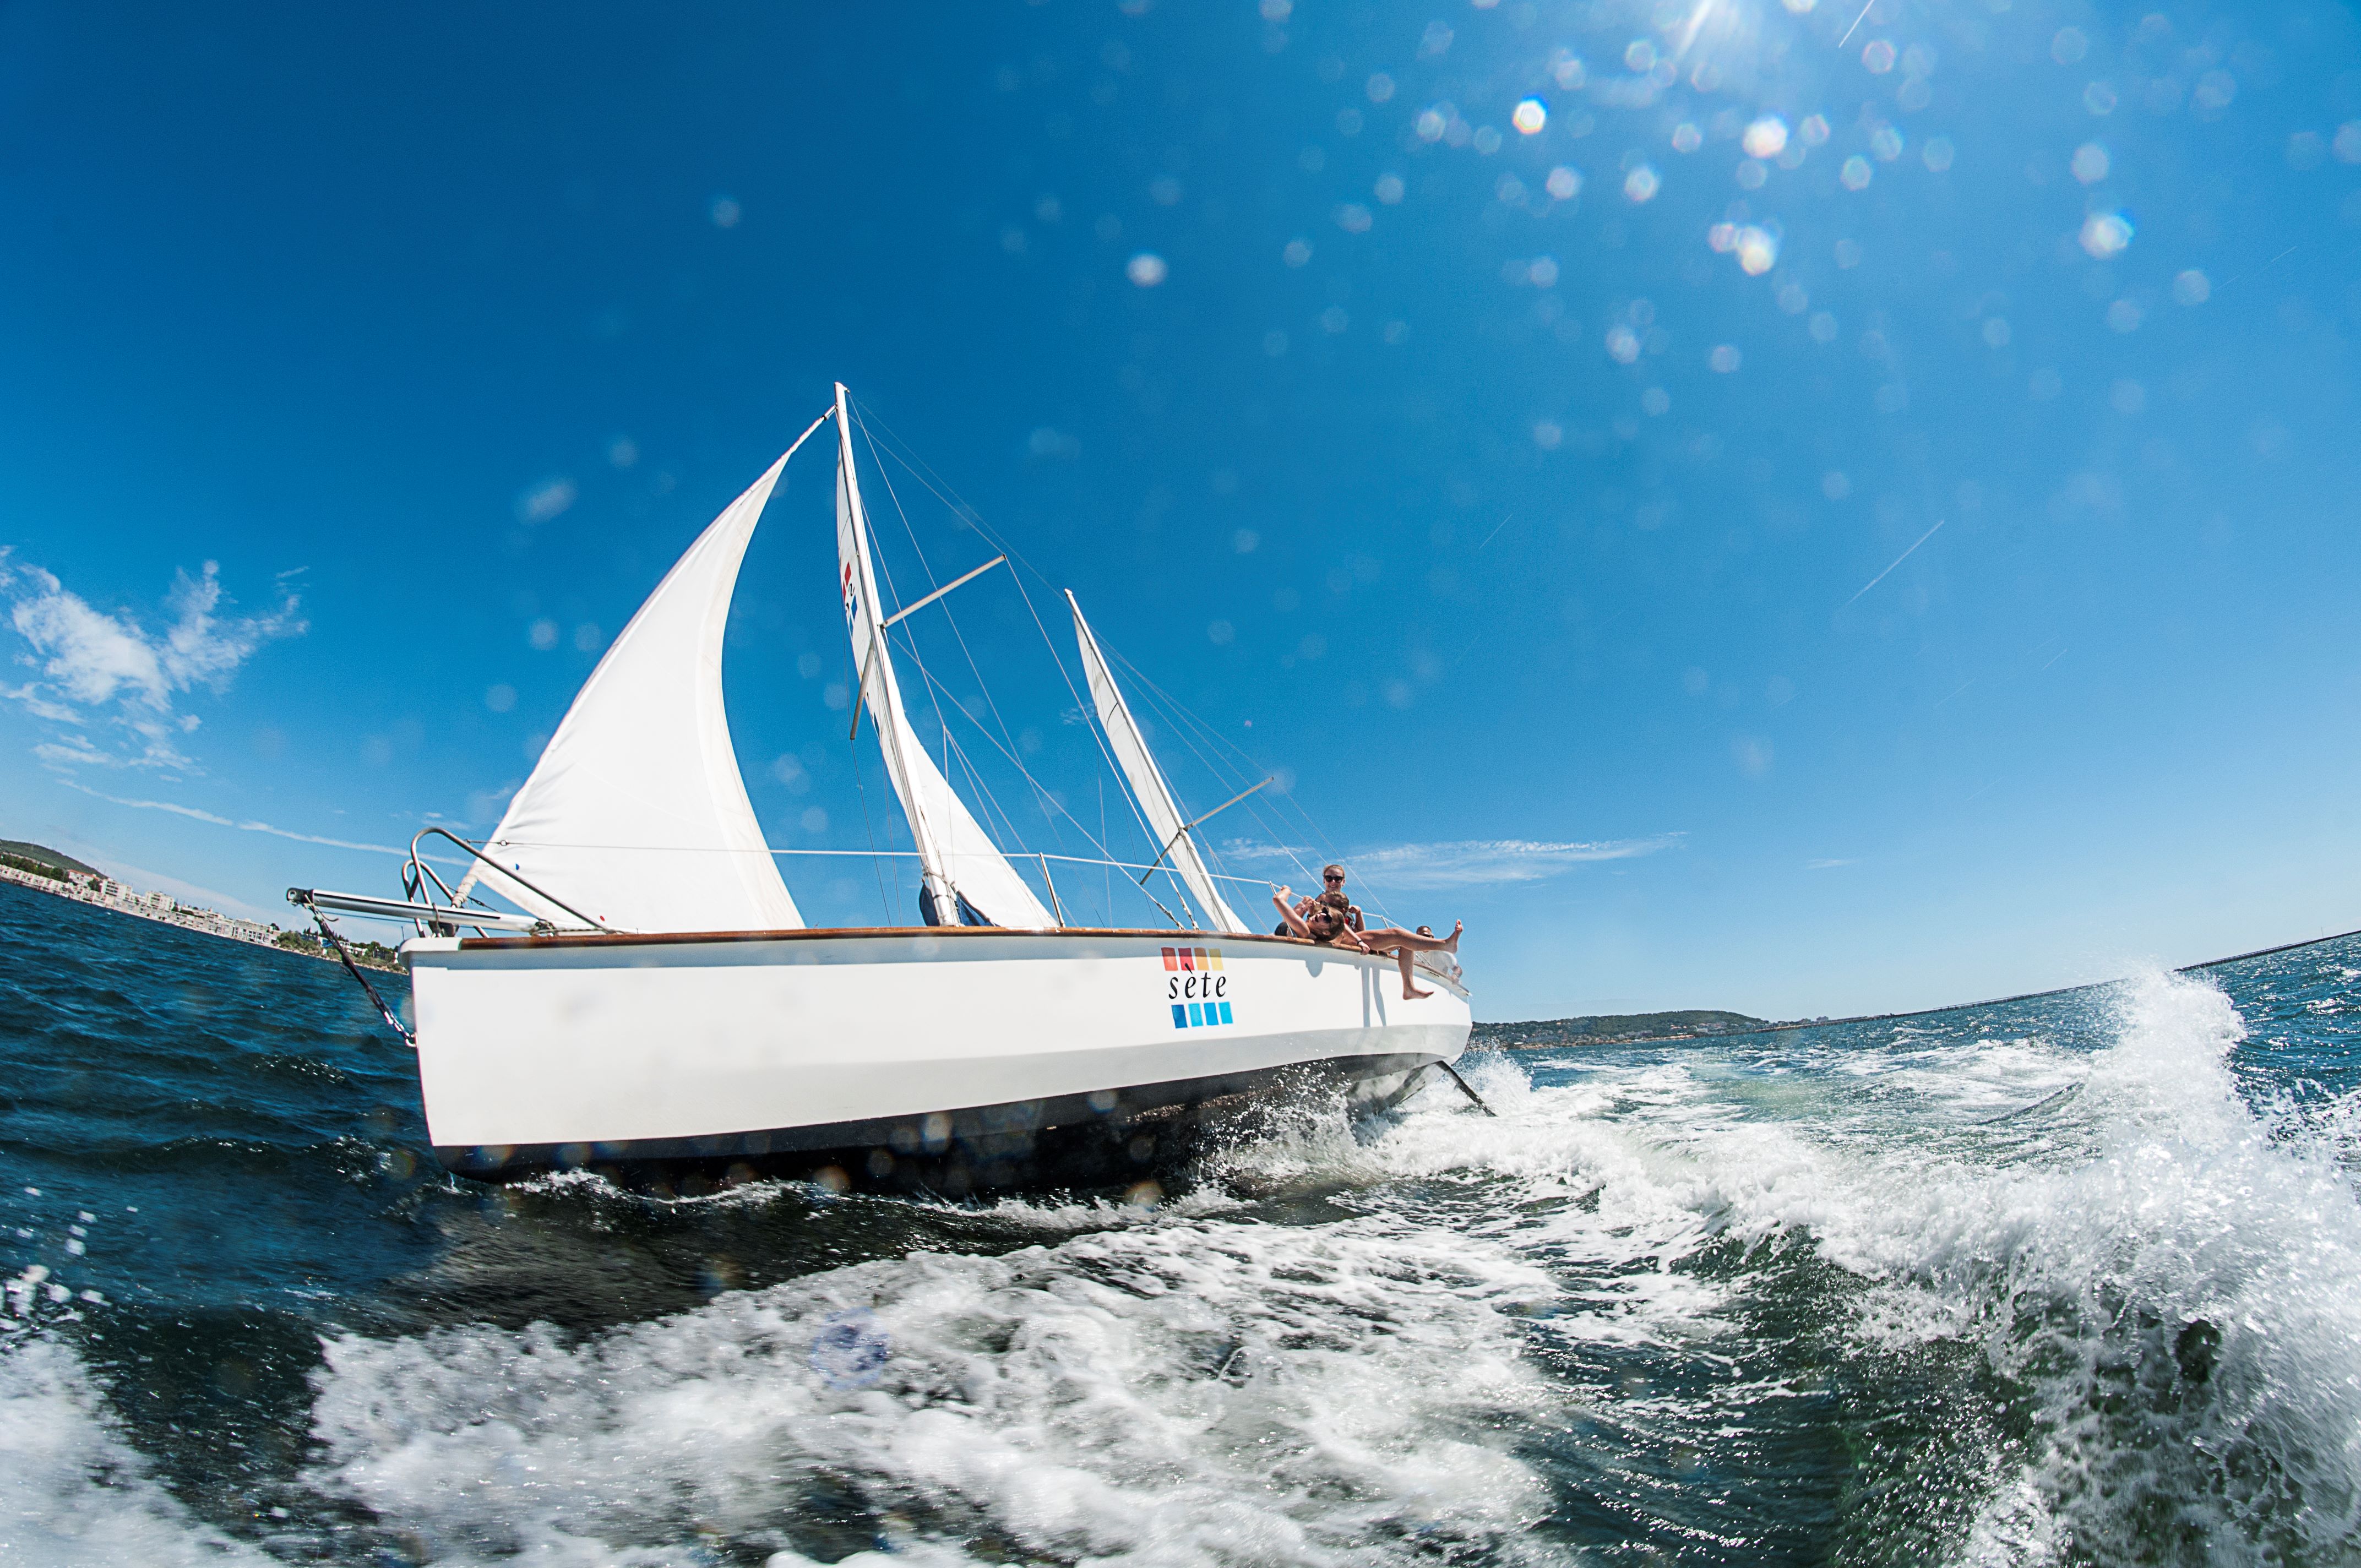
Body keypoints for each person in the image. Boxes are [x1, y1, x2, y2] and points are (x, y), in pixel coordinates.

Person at [1269, 886, 1462, 1000]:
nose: (1323, 914)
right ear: (1326, 930)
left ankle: (1410, 987)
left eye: (1327, 914)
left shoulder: (1320, 925)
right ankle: (1444, 945)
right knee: (1397, 935)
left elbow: (1341, 927)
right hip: (1336, 941)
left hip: (1343, 940)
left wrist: (1359, 940)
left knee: (1400, 937)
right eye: (1324, 915)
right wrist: (1289, 892)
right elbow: (1278, 900)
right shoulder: (1304, 930)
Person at [1273, 863, 1362, 935]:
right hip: (1313, 937)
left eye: (1338, 879)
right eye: (1329, 878)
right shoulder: (1318, 902)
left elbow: (1360, 933)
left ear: (1343, 882)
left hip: (1340, 942)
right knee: (1304, 905)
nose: (1333, 882)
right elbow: (1308, 925)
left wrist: (1359, 913)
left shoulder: (1347, 906)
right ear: (1324, 881)